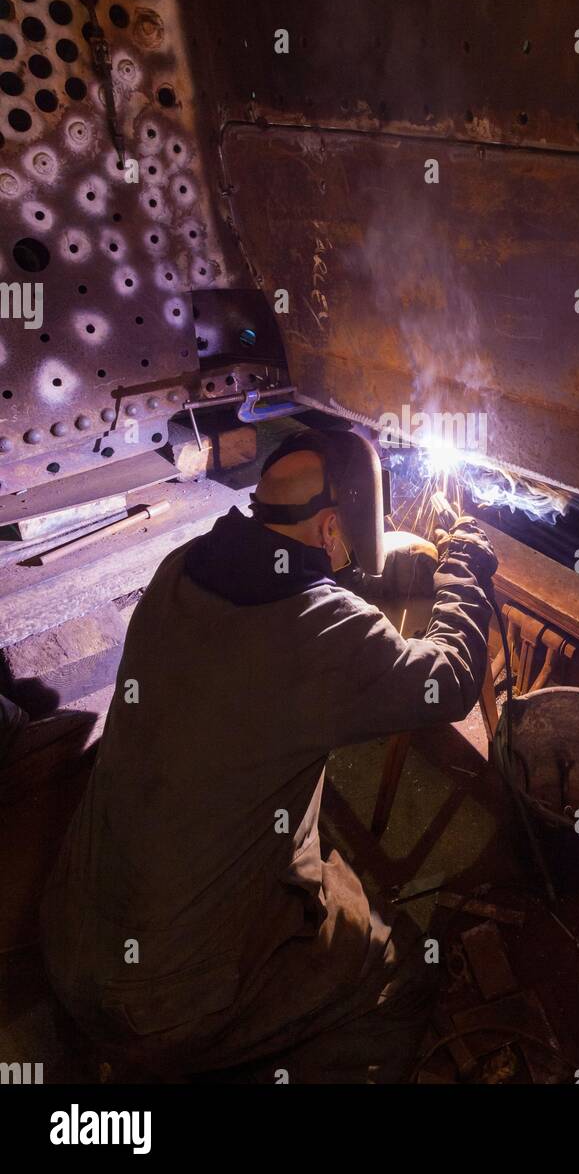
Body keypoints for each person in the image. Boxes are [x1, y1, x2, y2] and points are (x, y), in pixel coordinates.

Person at [39, 426, 497, 1083]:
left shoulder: (182, 567)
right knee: (400, 966)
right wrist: (465, 569)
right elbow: (450, 679)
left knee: (309, 872)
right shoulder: (329, 636)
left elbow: (306, 597)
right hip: (163, 1004)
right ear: (333, 526)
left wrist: (376, 562)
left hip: (72, 932)